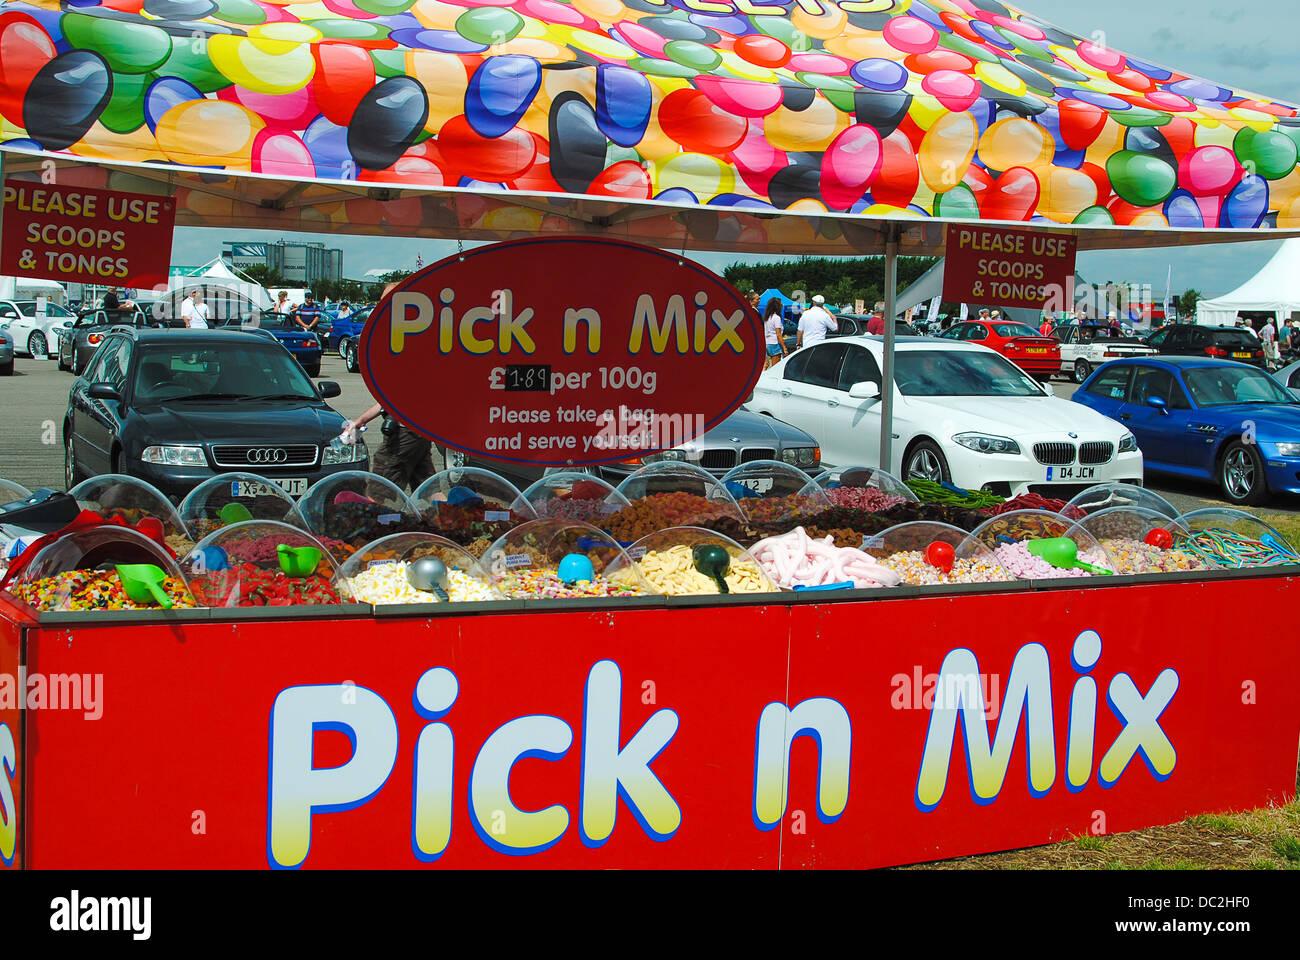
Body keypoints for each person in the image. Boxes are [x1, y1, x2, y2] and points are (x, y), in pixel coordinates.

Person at [345, 282, 442, 492]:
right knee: (427, 489)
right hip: (418, 428)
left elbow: (405, 391)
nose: (381, 308)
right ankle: (454, 521)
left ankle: (374, 523)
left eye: (387, 303)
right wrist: (360, 421)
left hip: (406, 430)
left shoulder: (408, 340)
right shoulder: (414, 335)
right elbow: (393, 396)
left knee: (380, 488)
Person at [763, 297, 788, 369]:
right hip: (774, 343)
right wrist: (784, 347)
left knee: (766, 367)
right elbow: (778, 334)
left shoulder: (766, 318)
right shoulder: (776, 318)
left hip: (766, 343)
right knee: (775, 368)